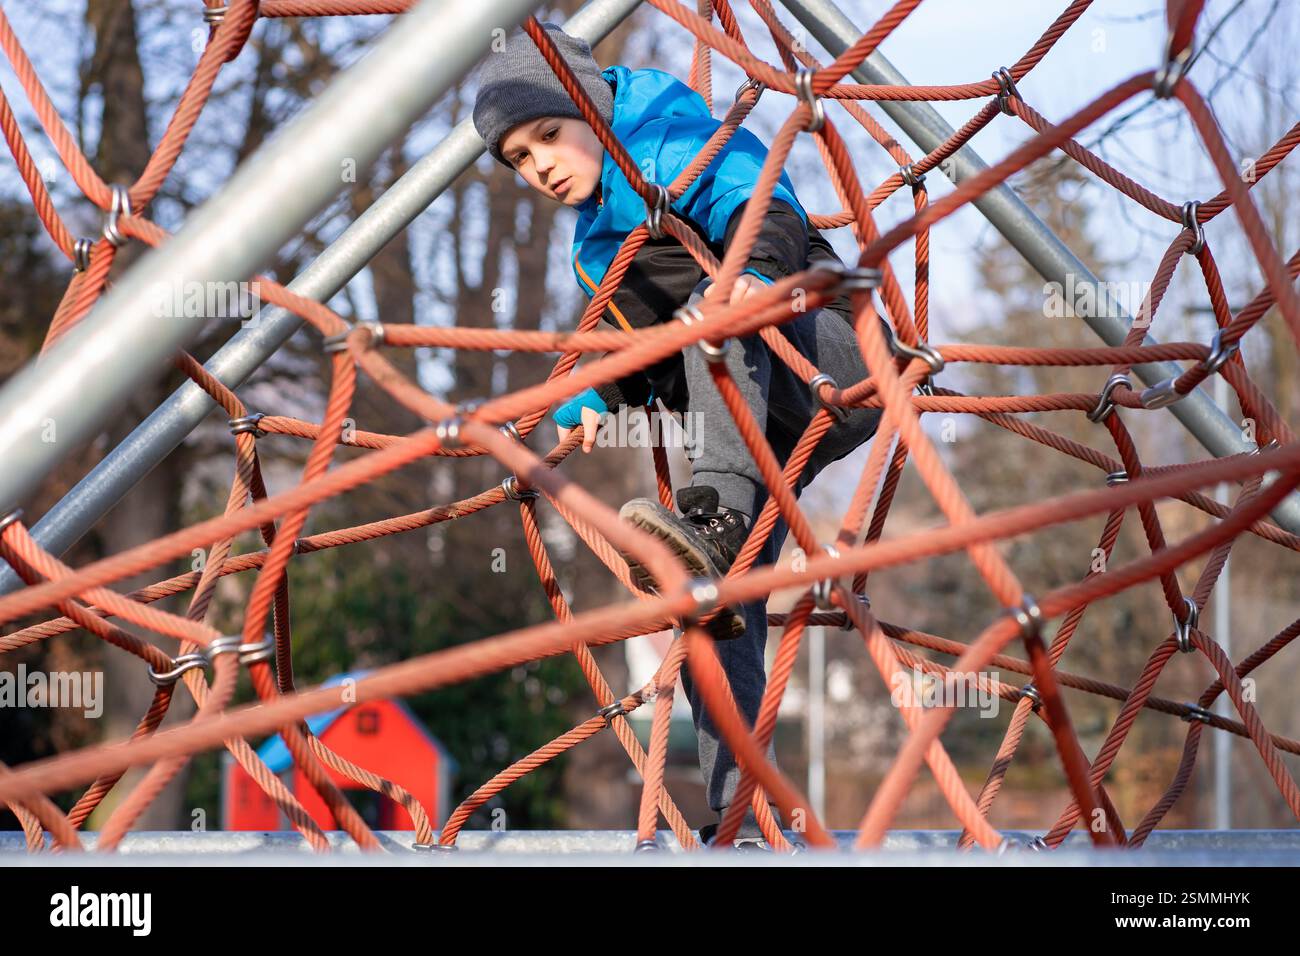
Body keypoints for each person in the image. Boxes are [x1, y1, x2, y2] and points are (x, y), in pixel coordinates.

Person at [473, 23, 881, 847]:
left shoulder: (674, 132)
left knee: (712, 306)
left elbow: (758, 209)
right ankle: (743, 809)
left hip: (831, 356)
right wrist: (584, 400)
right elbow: (629, 343)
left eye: (549, 135)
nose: (541, 164)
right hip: (755, 425)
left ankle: (717, 526)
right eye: (520, 158)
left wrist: (749, 281)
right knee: (713, 611)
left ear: (590, 105)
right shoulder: (595, 246)